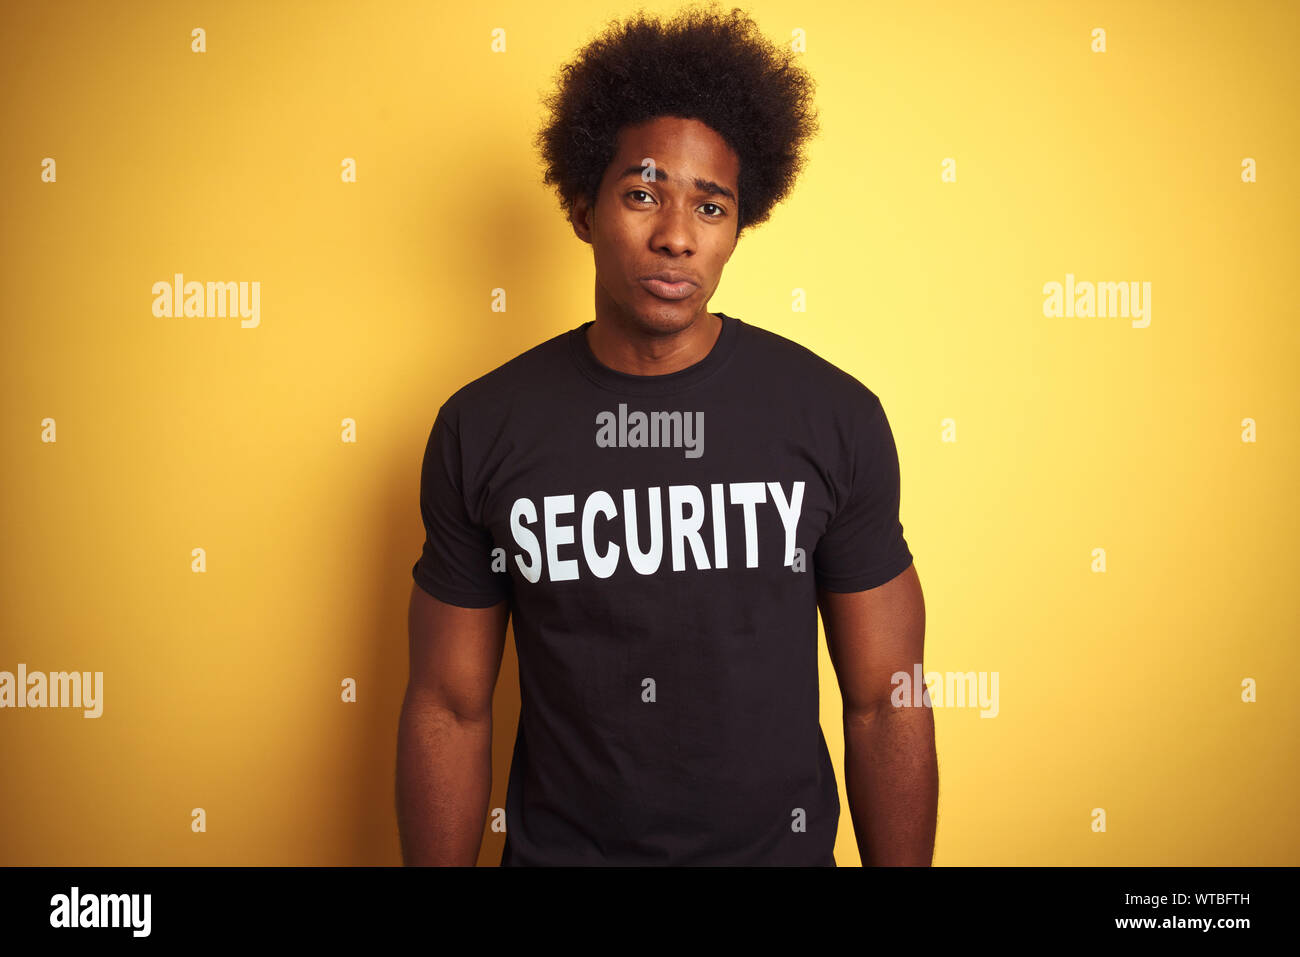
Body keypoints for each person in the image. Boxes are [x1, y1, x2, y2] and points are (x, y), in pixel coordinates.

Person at [396, 3, 935, 866]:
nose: (676, 236)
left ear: (739, 224)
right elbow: (449, 706)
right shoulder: (483, 427)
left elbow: (885, 698)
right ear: (582, 206)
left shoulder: (832, 416)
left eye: (711, 207)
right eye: (644, 194)